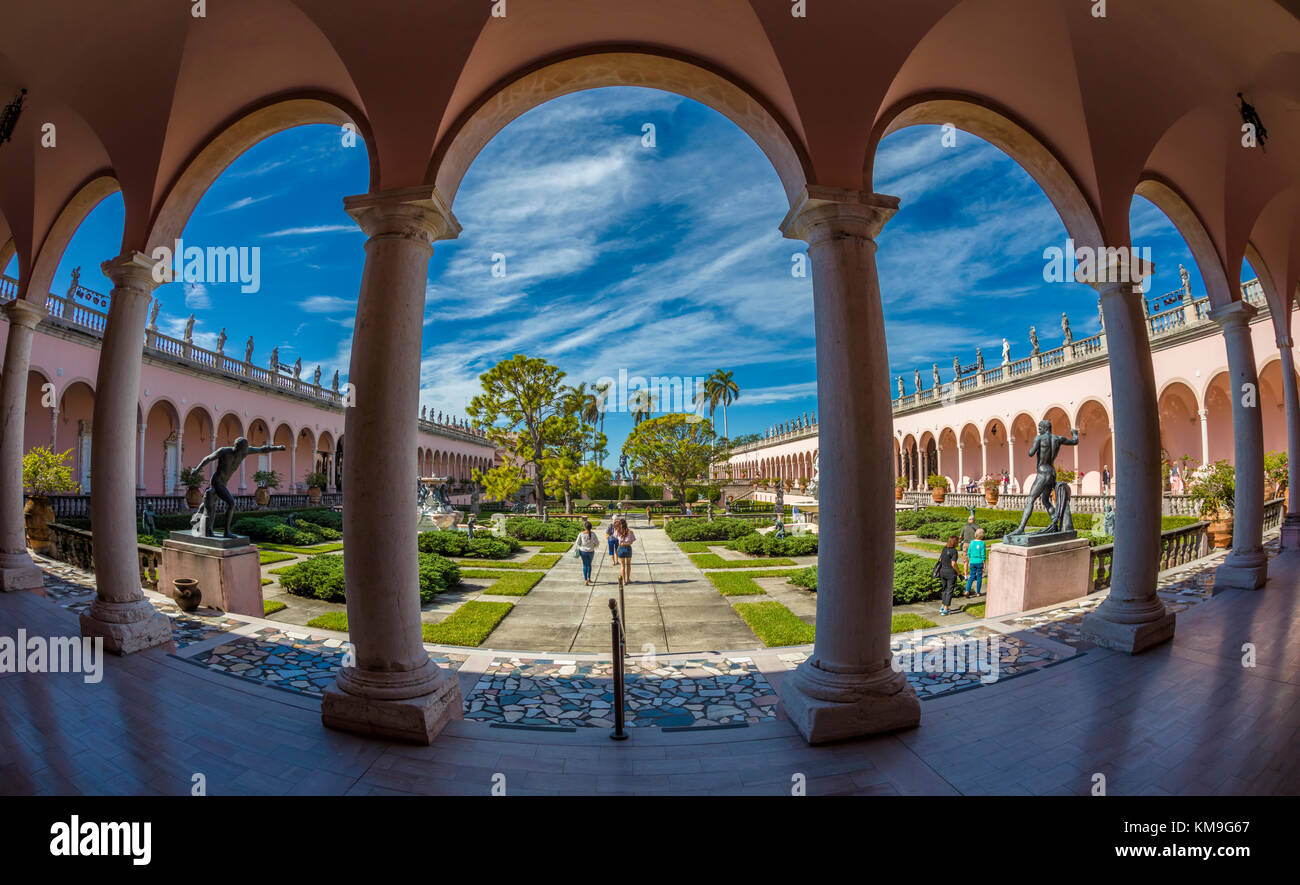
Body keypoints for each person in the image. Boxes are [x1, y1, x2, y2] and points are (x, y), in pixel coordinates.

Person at [937, 535, 963, 616]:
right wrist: (959, 573)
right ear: (955, 542)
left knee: (944, 589)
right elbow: (953, 563)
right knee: (949, 591)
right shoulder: (954, 551)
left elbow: (940, 559)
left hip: (942, 572)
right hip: (951, 573)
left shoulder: (944, 549)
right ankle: (945, 609)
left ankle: (942, 606)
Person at [575, 519, 600, 585]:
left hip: (583, 551)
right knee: (589, 564)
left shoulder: (581, 534)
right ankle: (589, 578)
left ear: (585, 527)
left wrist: (581, 545)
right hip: (591, 551)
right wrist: (593, 545)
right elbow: (597, 543)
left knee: (585, 565)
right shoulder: (593, 534)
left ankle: (585, 579)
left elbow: (577, 542)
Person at [965, 528, 987, 599]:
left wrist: (969, 560)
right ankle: (978, 592)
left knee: (971, 576)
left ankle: (967, 590)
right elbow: (983, 554)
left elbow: (969, 552)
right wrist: (984, 563)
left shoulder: (972, 542)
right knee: (979, 577)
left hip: (972, 561)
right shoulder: (982, 543)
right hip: (979, 561)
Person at [615, 518, 636, 584]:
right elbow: (631, 542)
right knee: (628, 565)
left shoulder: (617, 532)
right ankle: (628, 579)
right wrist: (625, 543)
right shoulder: (630, 532)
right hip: (628, 549)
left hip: (621, 548)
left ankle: (623, 581)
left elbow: (614, 536)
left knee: (622, 566)